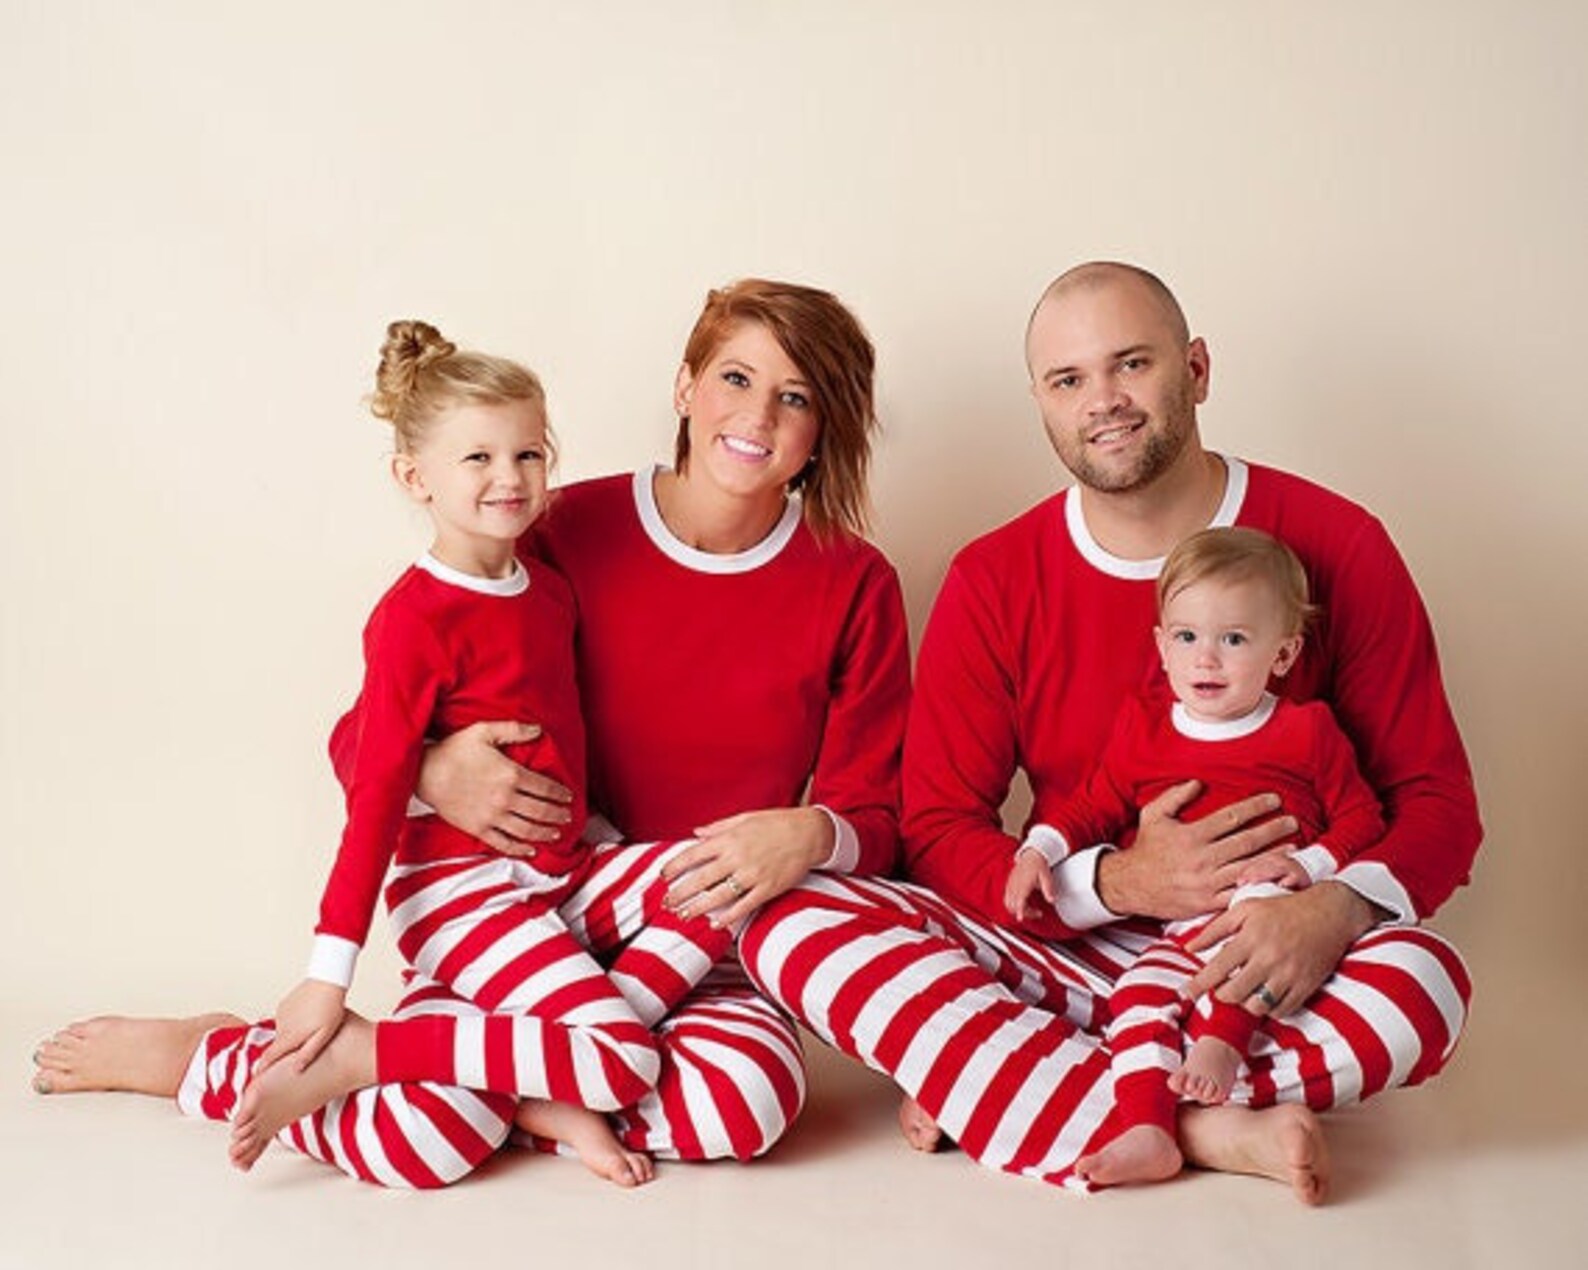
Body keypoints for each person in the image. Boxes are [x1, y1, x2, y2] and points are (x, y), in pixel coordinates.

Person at [32, 280, 912, 1189]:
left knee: (746, 1100)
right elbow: (367, 736)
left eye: (796, 396)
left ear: (823, 429)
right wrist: (434, 773)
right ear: (686, 389)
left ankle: (483, 1072)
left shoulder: (854, 584)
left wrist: (811, 831)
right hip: (523, 905)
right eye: (735, 377)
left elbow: (877, 815)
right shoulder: (555, 523)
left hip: (698, 926)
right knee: (431, 1137)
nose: (757, 415)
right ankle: (213, 1058)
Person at [739, 261, 1478, 1204]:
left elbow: (1438, 804)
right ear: (1042, 404)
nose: (1105, 402)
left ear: (1197, 369)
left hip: (1247, 962)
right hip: (1065, 952)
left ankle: (1013, 1085)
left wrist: (1327, 913)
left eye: (1132, 364)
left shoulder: (1339, 542)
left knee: (1425, 986)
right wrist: (1115, 882)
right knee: (791, 924)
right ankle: (1202, 1126)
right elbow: (935, 827)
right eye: (1069, 379)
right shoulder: (995, 577)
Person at [1005, 526, 1387, 1183]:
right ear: (1161, 646)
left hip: (1270, 909)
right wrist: (1039, 848)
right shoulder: (1143, 728)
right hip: (1173, 928)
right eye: (1187, 637)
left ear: (1283, 653)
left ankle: (1220, 1045)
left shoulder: (1305, 730)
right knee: (1140, 995)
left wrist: (1311, 866)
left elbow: (1364, 816)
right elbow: (1094, 805)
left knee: (1260, 908)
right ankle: (1152, 1128)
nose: (1206, 659)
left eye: (1234, 640)